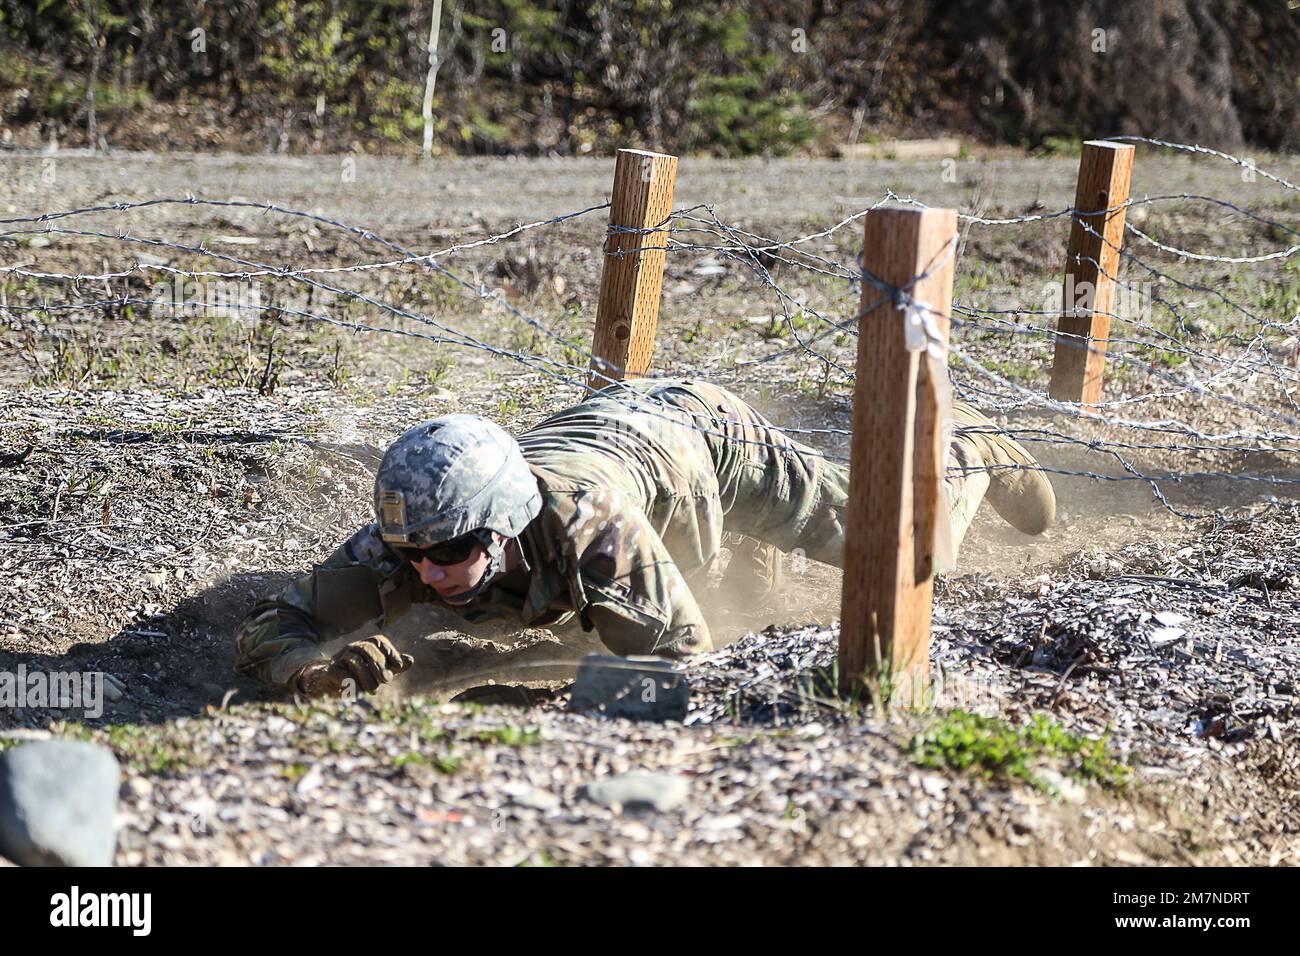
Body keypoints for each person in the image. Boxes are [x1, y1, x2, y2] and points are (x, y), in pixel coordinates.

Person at [233, 377, 1055, 697]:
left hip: (703, 439)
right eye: (413, 557)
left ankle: (969, 448)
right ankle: (743, 551)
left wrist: (495, 689)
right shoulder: (422, 525)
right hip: (606, 437)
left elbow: (680, 663)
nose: (427, 573)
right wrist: (311, 671)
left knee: (912, 550)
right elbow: (275, 622)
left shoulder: (593, 536)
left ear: (509, 522)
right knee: (743, 587)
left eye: (448, 555)